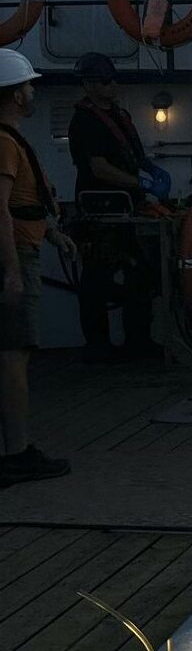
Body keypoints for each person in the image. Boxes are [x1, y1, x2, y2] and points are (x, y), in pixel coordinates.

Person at [0, 49, 77, 487]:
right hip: (12, 260)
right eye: (28, 85)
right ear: (14, 95)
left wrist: (53, 235)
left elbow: (21, 207)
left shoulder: (9, 142)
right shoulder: (4, 144)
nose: (33, 91)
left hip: (22, 250)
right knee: (12, 357)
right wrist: (11, 271)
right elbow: (0, 212)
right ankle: (16, 453)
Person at [67, 52, 157, 361]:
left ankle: (138, 341)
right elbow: (99, 168)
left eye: (113, 78)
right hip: (102, 211)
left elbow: (133, 153)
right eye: (106, 80)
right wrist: (140, 183)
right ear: (90, 85)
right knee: (97, 279)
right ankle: (99, 347)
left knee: (140, 277)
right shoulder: (84, 122)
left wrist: (152, 171)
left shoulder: (119, 116)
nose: (113, 84)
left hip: (125, 208)